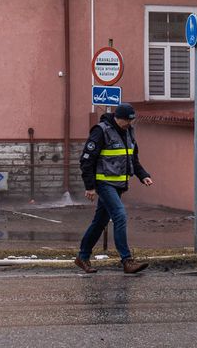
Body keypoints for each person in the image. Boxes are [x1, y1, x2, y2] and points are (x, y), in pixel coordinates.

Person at [73, 103, 152, 275]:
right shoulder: (101, 131)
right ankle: (127, 260)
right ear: (117, 118)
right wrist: (90, 186)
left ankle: (82, 257)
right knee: (120, 215)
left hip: (119, 186)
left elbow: (132, 159)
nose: (129, 124)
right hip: (104, 184)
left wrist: (143, 175)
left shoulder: (129, 132)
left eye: (131, 121)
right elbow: (86, 160)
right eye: (127, 121)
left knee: (100, 222)